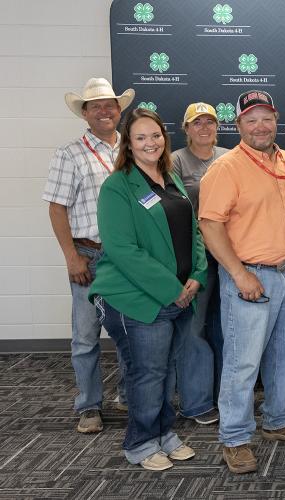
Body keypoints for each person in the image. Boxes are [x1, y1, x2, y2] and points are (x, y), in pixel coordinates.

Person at [199, 90, 285, 474]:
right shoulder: (226, 167)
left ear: (277, 119)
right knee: (242, 362)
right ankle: (235, 438)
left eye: (266, 117)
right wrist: (238, 273)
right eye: (251, 119)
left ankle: (279, 419)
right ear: (239, 125)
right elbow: (210, 224)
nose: (260, 125)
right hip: (249, 277)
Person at [89, 108, 208, 470]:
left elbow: (194, 232)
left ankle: (163, 434)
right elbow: (123, 249)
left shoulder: (169, 175)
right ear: (129, 143)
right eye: (140, 137)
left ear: (164, 137)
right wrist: (171, 288)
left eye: (154, 135)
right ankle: (140, 443)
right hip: (136, 299)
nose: (149, 143)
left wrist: (198, 274)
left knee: (166, 370)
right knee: (148, 372)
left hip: (179, 294)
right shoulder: (118, 185)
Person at [42, 77, 133, 433]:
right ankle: (89, 407)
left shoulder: (133, 148)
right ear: (85, 113)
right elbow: (56, 209)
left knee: (129, 332)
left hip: (127, 257)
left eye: (110, 104)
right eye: (95, 106)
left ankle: (126, 397)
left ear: (119, 110)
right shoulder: (69, 154)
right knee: (85, 336)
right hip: (89, 254)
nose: (104, 111)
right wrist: (71, 257)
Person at [171, 102, 228, 425]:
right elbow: (179, 211)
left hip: (231, 253)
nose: (204, 128)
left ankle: (226, 395)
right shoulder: (176, 161)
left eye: (209, 122)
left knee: (225, 329)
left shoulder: (229, 156)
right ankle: (196, 402)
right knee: (194, 329)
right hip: (198, 255)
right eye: (197, 123)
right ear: (187, 128)